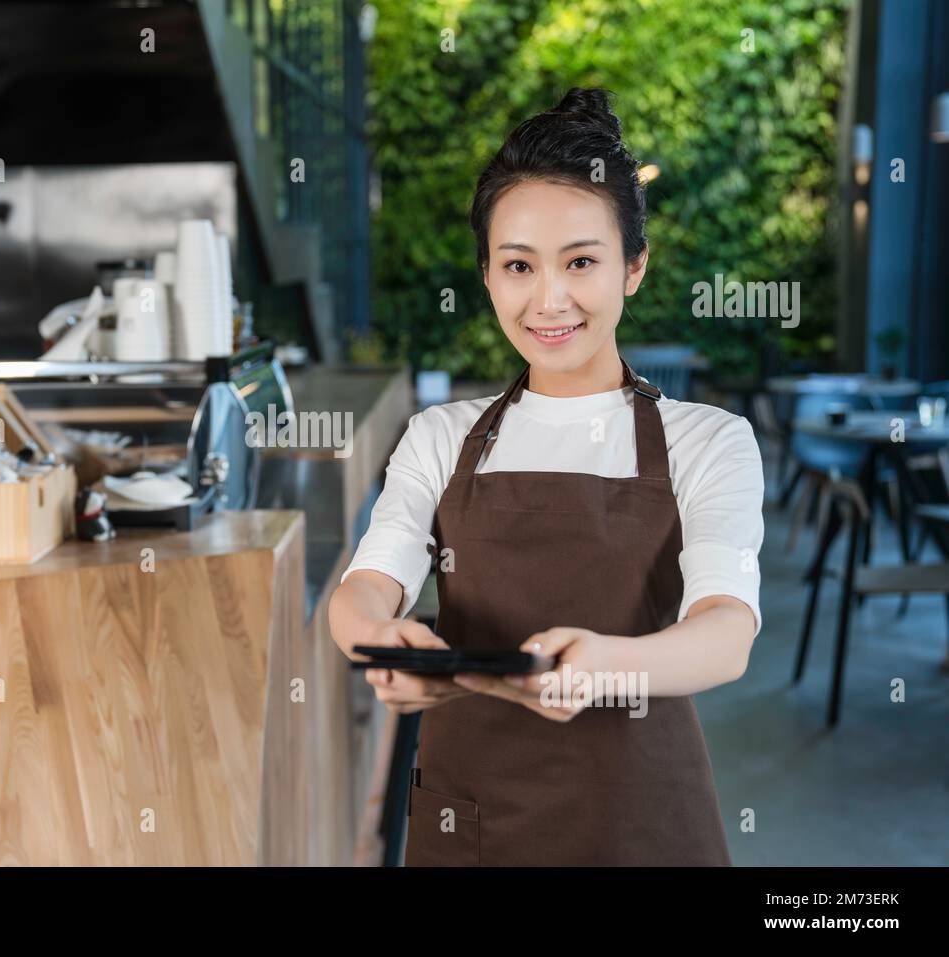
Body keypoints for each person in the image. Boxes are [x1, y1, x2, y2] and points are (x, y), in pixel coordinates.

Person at [327, 87, 764, 866]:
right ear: (489, 277)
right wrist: (379, 643)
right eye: (519, 265)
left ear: (634, 267)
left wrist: (610, 664)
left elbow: (726, 635)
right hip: (475, 817)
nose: (549, 299)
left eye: (582, 262)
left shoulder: (708, 440)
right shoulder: (440, 437)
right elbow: (367, 583)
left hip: (644, 818)